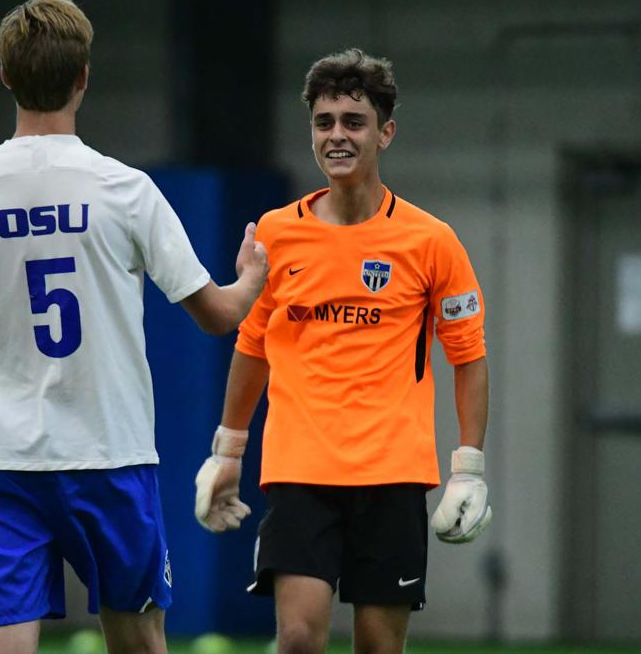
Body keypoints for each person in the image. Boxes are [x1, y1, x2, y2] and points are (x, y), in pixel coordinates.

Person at [0, 0, 268, 654]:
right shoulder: (126, 190)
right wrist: (252, 278)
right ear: (84, 78)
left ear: (6, 75)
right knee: (138, 640)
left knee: (3, 642)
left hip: (0, 460)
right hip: (110, 456)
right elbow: (217, 315)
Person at [194, 48, 491, 654]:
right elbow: (253, 346)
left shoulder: (433, 241)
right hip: (300, 472)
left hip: (394, 474)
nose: (336, 135)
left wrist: (469, 469)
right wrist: (227, 450)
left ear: (385, 132)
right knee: (299, 639)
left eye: (353, 122)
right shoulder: (276, 233)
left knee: (379, 648)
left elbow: (468, 357)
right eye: (323, 122)